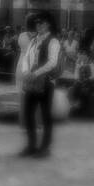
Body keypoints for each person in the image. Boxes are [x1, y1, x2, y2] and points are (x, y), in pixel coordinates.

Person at [19, 12, 61, 157]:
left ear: (48, 24)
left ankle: (45, 148)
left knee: (45, 115)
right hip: (32, 81)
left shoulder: (53, 41)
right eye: (37, 23)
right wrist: (25, 71)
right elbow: (26, 57)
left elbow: (52, 62)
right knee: (28, 113)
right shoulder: (33, 41)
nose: (38, 25)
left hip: (46, 82)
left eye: (41, 23)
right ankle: (31, 145)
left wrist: (35, 73)